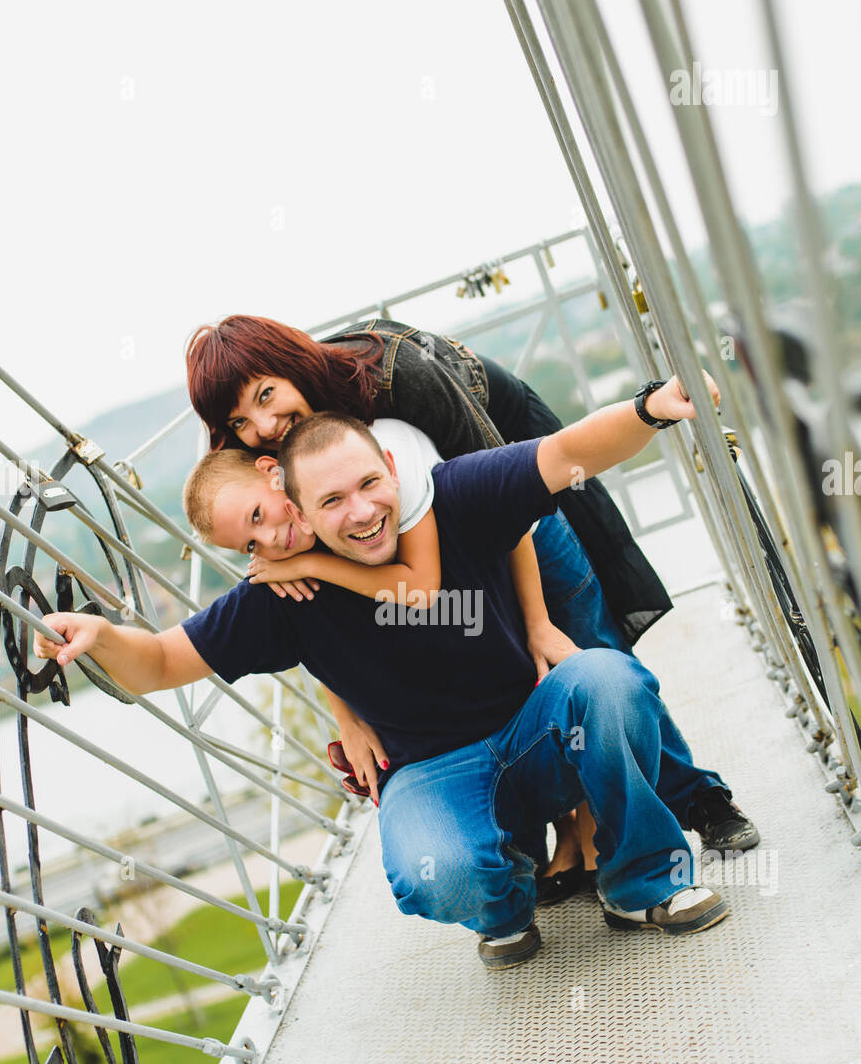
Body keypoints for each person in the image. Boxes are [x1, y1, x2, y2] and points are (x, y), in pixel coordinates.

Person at [34, 375, 730, 971]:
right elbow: (159, 660)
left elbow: (568, 452)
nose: (360, 512)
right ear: (299, 501)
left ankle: (643, 882)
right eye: (329, 504)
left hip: (536, 730)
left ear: (392, 470)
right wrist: (99, 636)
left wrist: (652, 406)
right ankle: (504, 900)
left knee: (608, 681)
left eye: (369, 485)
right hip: (435, 773)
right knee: (443, 869)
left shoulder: (446, 498)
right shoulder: (278, 595)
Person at [183, 315, 760, 878]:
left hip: (514, 475)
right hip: (427, 538)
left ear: (293, 365)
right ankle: (570, 830)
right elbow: (323, 623)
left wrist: (535, 621)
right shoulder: (284, 492)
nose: (262, 424)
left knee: (586, 653)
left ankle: (698, 800)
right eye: (239, 421)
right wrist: (347, 714)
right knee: (513, 676)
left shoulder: (393, 377)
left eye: (266, 394)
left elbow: (504, 510)